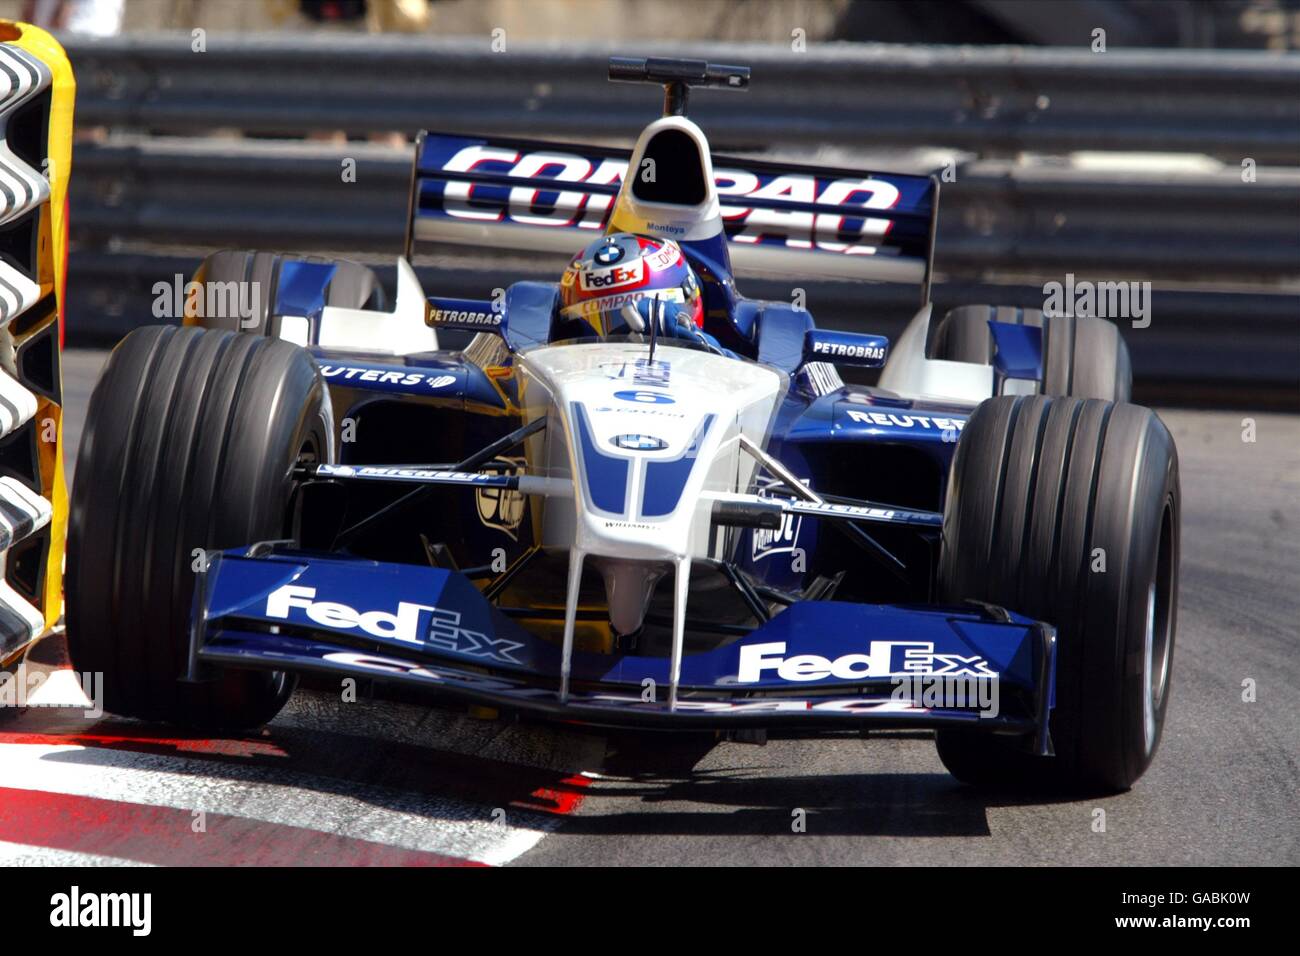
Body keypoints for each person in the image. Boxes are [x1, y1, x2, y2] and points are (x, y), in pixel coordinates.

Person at [557, 232, 731, 354]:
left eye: (622, 323)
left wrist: (704, 349)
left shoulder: (722, 365)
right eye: (593, 323)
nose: (625, 341)